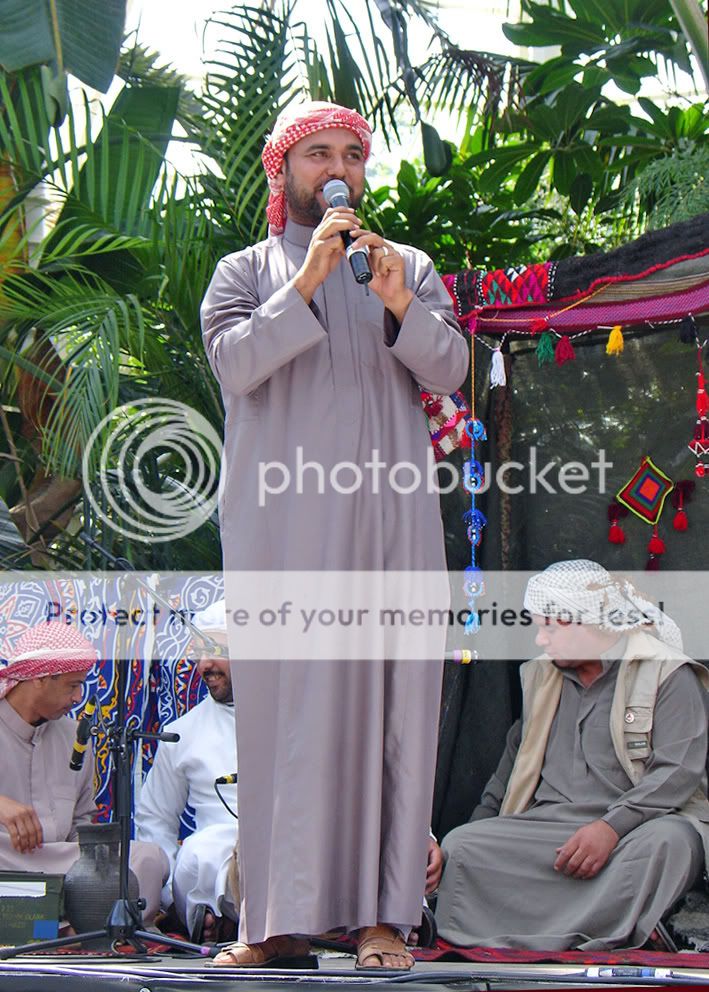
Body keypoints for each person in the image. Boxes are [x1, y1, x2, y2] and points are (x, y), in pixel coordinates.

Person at [200, 101, 469, 969]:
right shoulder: (243, 272)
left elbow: (453, 370)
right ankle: (272, 926)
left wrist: (397, 301)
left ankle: (383, 920)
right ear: (283, 174)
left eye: (350, 152)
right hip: (285, 532)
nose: (337, 165)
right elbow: (237, 365)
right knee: (286, 719)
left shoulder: (407, 267)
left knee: (397, 712)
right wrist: (305, 283)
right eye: (317, 153)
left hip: (390, 525)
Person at [435, 559, 709, 951]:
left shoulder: (667, 674)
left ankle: (599, 933)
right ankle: (589, 931)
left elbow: (678, 772)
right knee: (463, 846)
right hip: (548, 829)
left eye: (549, 626)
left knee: (670, 843)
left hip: (637, 829)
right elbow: (509, 774)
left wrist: (610, 828)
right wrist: (461, 840)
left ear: (589, 621)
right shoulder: (542, 680)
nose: (541, 640)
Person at [0, 621, 168, 925]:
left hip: (60, 863)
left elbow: (81, 822)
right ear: (39, 679)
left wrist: (98, 859)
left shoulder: (74, 736)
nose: (79, 698)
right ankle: (68, 923)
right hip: (5, 860)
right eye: (72, 686)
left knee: (145, 858)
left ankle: (76, 923)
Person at [135, 599, 239, 943]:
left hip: (291, 854)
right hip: (210, 864)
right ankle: (217, 922)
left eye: (217, 650)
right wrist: (167, 897)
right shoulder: (182, 732)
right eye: (199, 652)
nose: (204, 665)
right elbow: (155, 820)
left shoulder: (301, 720)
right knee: (199, 852)